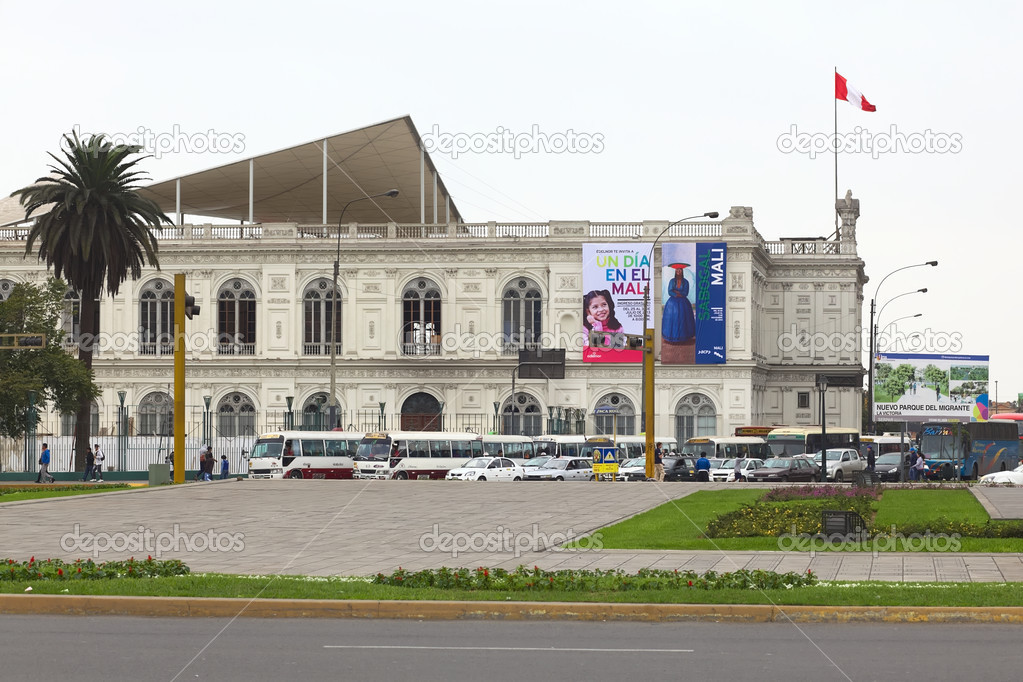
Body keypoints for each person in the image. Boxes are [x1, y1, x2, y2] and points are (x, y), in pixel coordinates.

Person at [661, 263, 696, 343]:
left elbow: (685, 292)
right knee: (673, 319)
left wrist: (678, 293)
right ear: (675, 271)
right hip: (672, 303)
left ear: (682, 271)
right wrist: (676, 294)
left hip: (683, 303)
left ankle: (684, 338)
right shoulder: (672, 281)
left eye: (680, 270)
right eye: (677, 270)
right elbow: (670, 291)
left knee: (683, 319)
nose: (678, 271)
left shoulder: (686, 282)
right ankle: (672, 338)